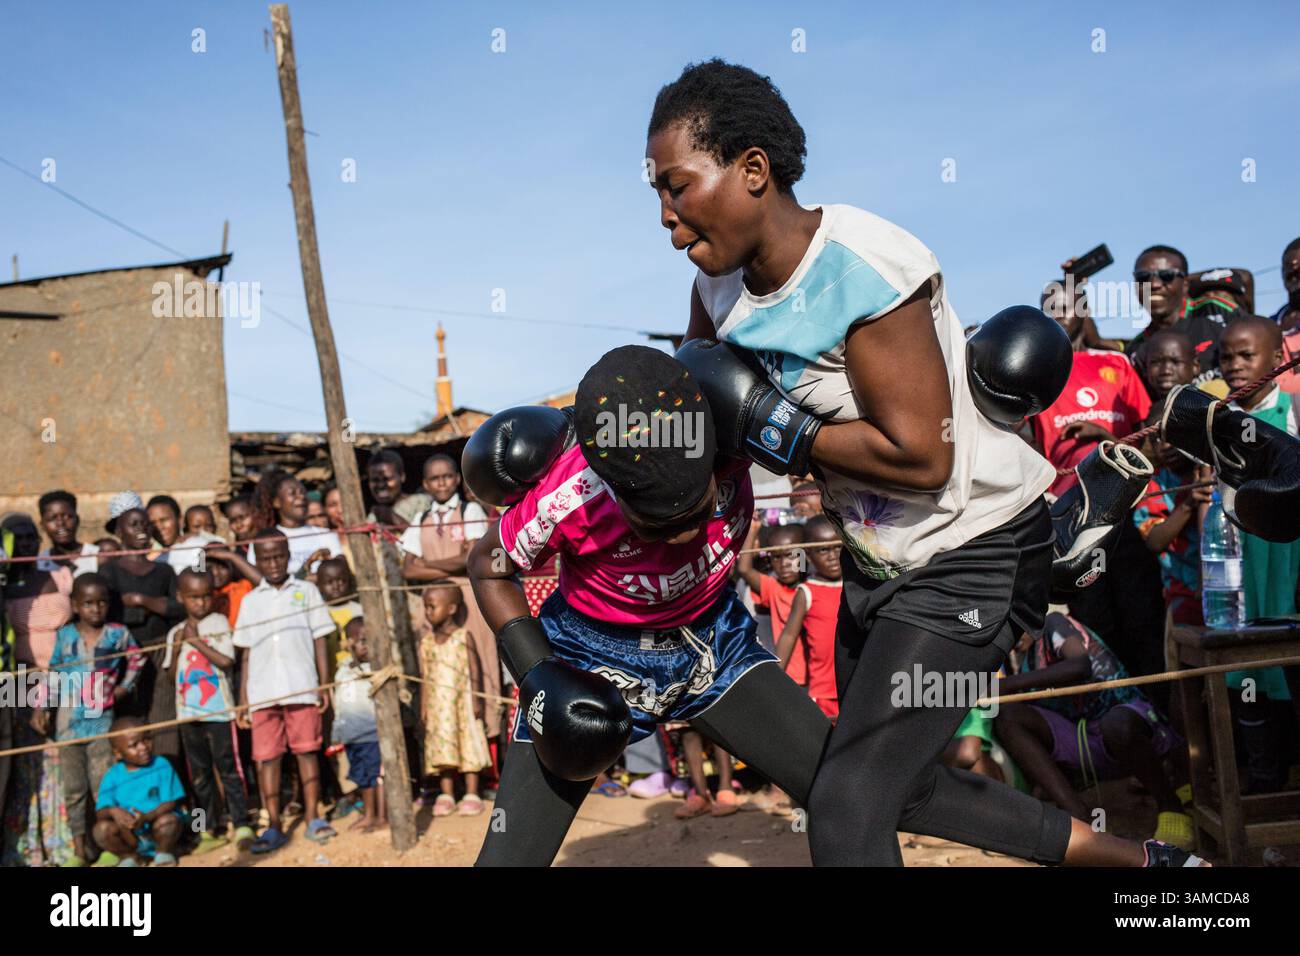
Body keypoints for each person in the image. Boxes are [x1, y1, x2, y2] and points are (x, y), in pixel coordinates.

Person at [653, 59, 1201, 866]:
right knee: (879, 784)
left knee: (846, 809)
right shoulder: (719, 286)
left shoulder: (864, 267)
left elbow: (921, 459)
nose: (666, 217)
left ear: (753, 170)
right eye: (656, 195)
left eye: (678, 186)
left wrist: (777, 428)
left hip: (974, 551)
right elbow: (705, 403)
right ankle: (1148, 867)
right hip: (881, 559)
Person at [1033, 278, 1168, 708]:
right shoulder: (1035, 371)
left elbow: (1151, 440)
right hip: (1073, 521)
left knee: (1143, 619)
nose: (1058, 313)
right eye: (1048, 306)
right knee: (1096, 624)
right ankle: (1117, 722)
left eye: (1066, 305)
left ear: (1084, 310)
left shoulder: (1115, 364)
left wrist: (1103, 435)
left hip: (1128, 511)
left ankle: (1159, 722)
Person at [994, 612, 1193, 849]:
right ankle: (1078, 815)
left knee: (1116, 725)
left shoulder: (1054, 623)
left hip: (1124, 728)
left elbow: (1080, 665)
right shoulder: (1022, 660)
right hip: (1084, 742)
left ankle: (1170, 805)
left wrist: (1003, 686)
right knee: (1008, 715)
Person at [1217, 315, 1300, 791]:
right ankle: (1263, 779)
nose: (1235, 365)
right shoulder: (1218, 422)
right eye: (1226, 356)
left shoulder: (1291, 412)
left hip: (1289, 568)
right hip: (1241, 570)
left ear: (1277, 359)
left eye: (1247, 355)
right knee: (1246, 671)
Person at [233, 529, 337, 853]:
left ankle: (312, 816)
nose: (274, 563)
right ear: (256, 561)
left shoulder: (306, 591)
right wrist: (243, 700)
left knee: (306, 752)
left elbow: (320, 639)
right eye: (266, 559)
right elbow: (246, 652)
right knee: (267, 759)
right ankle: (274, 823)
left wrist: (323, 683)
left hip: (301, 687)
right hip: (262, 692)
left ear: (289, 554)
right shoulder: (250, 601)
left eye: (279, 556)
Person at [398, 453, 503, 746]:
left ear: (457, 479)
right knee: (435, 667)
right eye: (434, 478)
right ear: (425, 484)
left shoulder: (471, 511)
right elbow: (408, 568)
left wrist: (430, 566)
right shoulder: (421, 519)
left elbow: (472, 558)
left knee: (477, 661)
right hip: (432, 603)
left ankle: (483, 741)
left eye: (446, 476)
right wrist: (453, 562)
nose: (441, 483)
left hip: (466, 598)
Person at [41, 572, 144, 865]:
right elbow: (54, 674)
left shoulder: (117, 633)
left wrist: (123, 689)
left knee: (104, 785)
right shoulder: (65, 636)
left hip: (101, 722)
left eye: (101, 603)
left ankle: (112, 846)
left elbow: (138, 658)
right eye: (88, 603)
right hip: (68, 725)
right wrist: (43, 707)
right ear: (75, 605)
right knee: (74, 790)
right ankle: (79, 850)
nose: (95, 609)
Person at [1, 512, 76, 867]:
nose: (27, 544)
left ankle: (59, 843)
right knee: (21, 767)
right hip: (15, 684)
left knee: (59, 762)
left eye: (32, 536)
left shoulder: (58, 576)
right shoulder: (1, 588)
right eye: (18, 537)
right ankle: (26, 846)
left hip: (60, 681)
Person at [163, 568, 252, 854]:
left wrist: (197, 642)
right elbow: (171, 676)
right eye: (193, 597)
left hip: (219, 711)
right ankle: (206, 828)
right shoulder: (175, 632)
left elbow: (227, 661)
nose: (200, 603)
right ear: (181, 597)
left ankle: (241, 823)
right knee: (198, 775)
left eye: (205, 597)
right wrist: (178, 648)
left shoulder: (219, 623)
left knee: (228, 768)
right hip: (188, 714)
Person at [1132, 332, 1214, 626]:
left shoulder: (1213, 470)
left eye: (1173, 435)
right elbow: (1154, 540)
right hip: (1180, 595)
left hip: (1224, 587)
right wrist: (1189, 504)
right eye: (1156, 439)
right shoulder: (1153, 485)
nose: (1165, 444)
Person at [98, 504, 184, 762]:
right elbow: (109, 610)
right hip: (122, 655)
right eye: (134, 525)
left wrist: (141, 600)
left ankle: (166, 774)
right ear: (119, 532)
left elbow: (176, 607)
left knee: (162, 716)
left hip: (159, 650)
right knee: (128, 714)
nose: (142, 530)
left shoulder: (163, 571)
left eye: (146, 525)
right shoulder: (109, 571)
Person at [417, 585, 490, 817]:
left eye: (432, 606)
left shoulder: (462, 637)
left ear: (451, 608)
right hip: (438, 709)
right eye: (425, 606)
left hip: (462, 705)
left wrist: (477, 699)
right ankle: (447, 794)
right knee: (442, 750)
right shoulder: (426, 643)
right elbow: (424, 677)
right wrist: (424, 706)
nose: (427, 611)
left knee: (467, 743)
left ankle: (471, 793)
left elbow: (475, 670)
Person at [92, 717, 185, 867]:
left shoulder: (161, 764)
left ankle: (163, 852)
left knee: (170, 821)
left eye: (147, 739)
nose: (143, 747)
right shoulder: (112, 776)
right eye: (133, 745)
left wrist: (148, 817)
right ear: (118, 753)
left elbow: (171, 802)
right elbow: (100, 813)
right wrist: (113, 811)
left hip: (157, 828)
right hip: (130, 835)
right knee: (101, 830)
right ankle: (130, 857)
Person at [332, 617, 386, 831]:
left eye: (369, 640)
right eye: (361, 640)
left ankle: (383, 816)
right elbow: (339, 703)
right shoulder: (342, 671)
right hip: (352, 736)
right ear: (348, 644)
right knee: (362, 778)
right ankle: (369, 814)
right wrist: (337, 732)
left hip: (373, 735)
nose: (365, 645)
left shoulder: (377, 670)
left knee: (378, 777)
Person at [251, 470, 343, 577]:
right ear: (276, 502)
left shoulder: (326, 535)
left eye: (303, 492)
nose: (301, 497)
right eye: (293, 493)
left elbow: (339, 568)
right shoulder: (265, 540)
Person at [36, 490, 99, 577]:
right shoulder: (39, 563)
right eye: (52, 518)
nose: (61, 523)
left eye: (68, 517)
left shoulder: (97, 556)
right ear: (42, 525)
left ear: (77, 520)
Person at [367, 450, 430, 531]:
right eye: (375, 480)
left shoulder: (420, 502)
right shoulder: (373, 515)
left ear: (402, 476)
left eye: (387, 479)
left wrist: (392, 518)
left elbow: (423, 538)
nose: (381, 485)